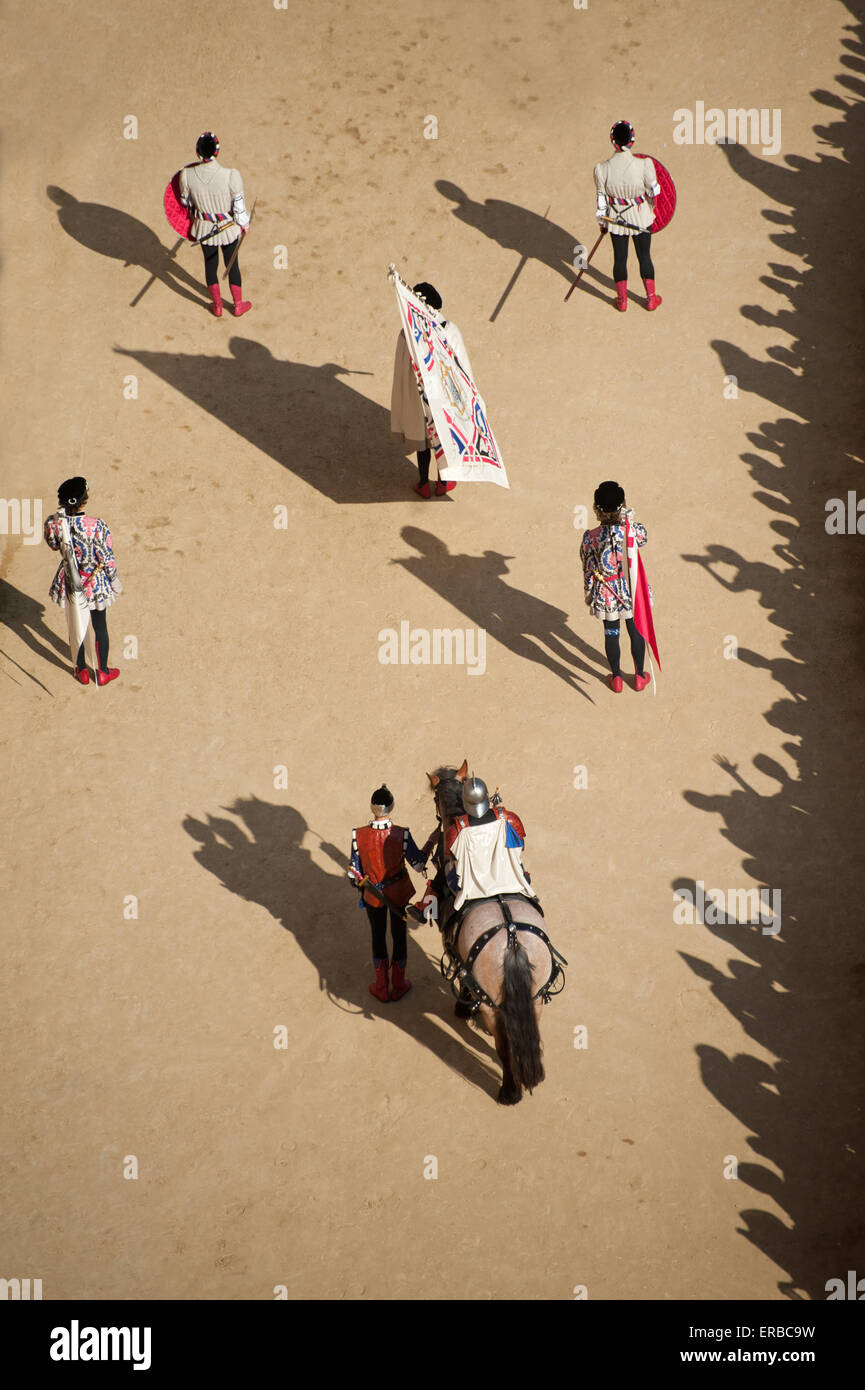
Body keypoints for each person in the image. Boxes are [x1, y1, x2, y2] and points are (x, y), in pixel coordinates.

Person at [390, 281, 473, 499]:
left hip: (418, 396)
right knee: (442, 437)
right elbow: (462, 367)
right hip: (443, 397)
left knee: (423, 440)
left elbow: (401, 371)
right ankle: (444, 482)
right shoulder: (449, 330)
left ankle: (424, 483)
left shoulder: (407, 333)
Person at [348, 785, 428, 1002]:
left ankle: (381, 985)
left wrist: (364, 885)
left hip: (373, 895)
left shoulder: (358, 835)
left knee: (377, 935)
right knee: (399, 936)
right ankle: (399, 984)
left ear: (372, 807)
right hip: (398, 893)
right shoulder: (401, 834)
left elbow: (353, 873)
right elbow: (419, 865)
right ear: (392, 806)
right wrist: (430, 843)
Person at [43, 477, 122, 686]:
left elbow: (52, 545)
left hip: (70, 580)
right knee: (99, 626)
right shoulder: (97, 525)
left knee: (75, 624)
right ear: (84, 500)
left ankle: (81, 670)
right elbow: (106, 557)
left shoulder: (53, 523)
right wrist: (114, 580)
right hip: (95, 583)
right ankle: (103, 671)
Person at [579, 480, 651, 693]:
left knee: (611, 632)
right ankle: (639, 676)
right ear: (622, 505)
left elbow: (588, 568)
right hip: (631, 587)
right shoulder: (630, 531)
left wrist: (589, 594)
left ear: (596, 508)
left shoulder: (590, 538)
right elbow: (644, 537)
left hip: (607, 592)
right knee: (635, 629)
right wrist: (629, 521)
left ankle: (617, 678)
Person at [179, 132, 251, 318]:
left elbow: (185, 203)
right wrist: (244, 224)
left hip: (204, 228)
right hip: (228, 228)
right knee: (232, 265)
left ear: (198, 152)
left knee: (210, 266)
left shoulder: (186, 175)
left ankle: (217, 306)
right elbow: (239, 205)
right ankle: (237, 305)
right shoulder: (231, 175)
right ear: (216, 152)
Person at [443, 777, 537, 916]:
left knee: (445, 871)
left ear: (464, 800)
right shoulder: (509, 819)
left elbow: (450, 857)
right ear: (487, 796)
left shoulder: (455, 831)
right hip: (511, 880)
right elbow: (520, 847)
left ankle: (426, 907)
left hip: (473, 889)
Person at [594, 121, 661, 312]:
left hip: (616, 219)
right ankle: (650, 299)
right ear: (632, 140)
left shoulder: (601, 169)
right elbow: (654, 191)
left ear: (612, 140)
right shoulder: (644, 164)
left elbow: (601, 198)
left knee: (619, 259)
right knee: (644, 257)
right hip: (641, 216)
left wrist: (602, 221)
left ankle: (622, 301)